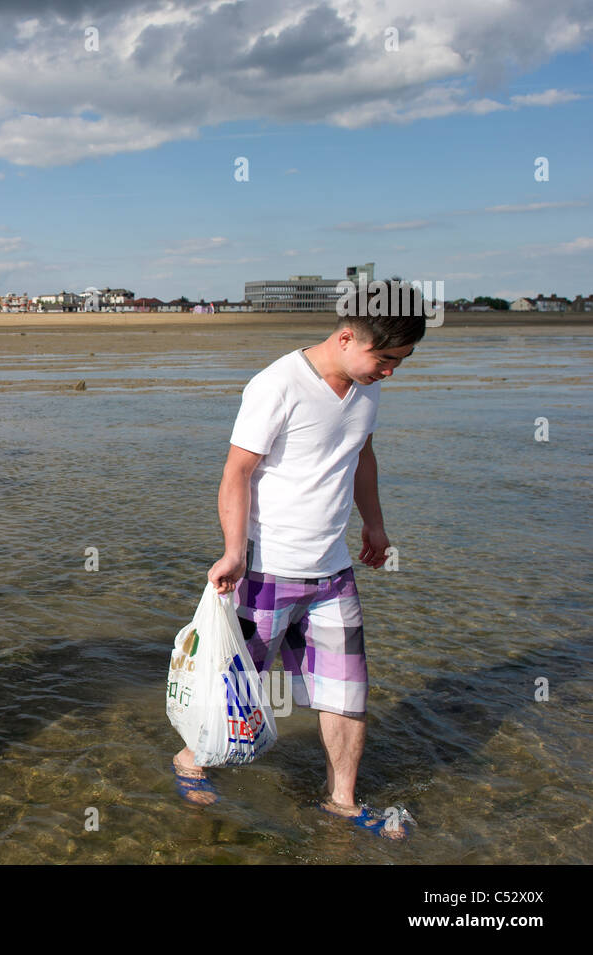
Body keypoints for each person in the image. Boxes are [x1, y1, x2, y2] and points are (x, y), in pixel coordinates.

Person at [172, 283, 426, 840]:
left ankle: (341, 800)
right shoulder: (277, 385)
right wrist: (234, 551)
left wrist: (375, 525)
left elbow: (361, 453)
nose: (390, 374)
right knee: (238, 686)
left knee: (346, 692)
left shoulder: (366, 388)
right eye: (385, 360)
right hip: (265, 571)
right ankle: (191, 760)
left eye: (400, 363)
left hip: (332, 574)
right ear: (345, 337)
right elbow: (236, 472)